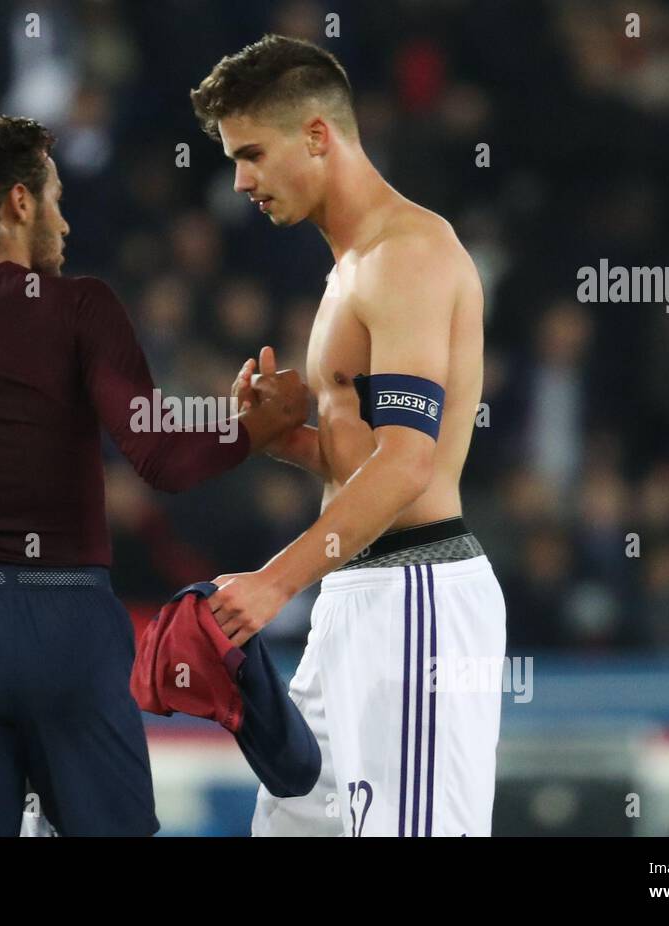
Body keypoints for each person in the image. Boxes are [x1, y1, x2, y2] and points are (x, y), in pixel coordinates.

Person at [0, 114, 307, 836]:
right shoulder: (81, 308)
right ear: (18, 203)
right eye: (55, 199)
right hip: (73, 627)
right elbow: (162, 459)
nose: (66, 223)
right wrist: (250, 431)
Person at [191, 34, 507, 836]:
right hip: (356, 601)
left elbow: (408, 466)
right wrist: (287, 440)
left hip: (417, 600)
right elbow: (371, 458)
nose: (241, 181)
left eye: (252, 153)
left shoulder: (407, 256)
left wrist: (272, 583)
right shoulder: (350, 268)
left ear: (318, 136)